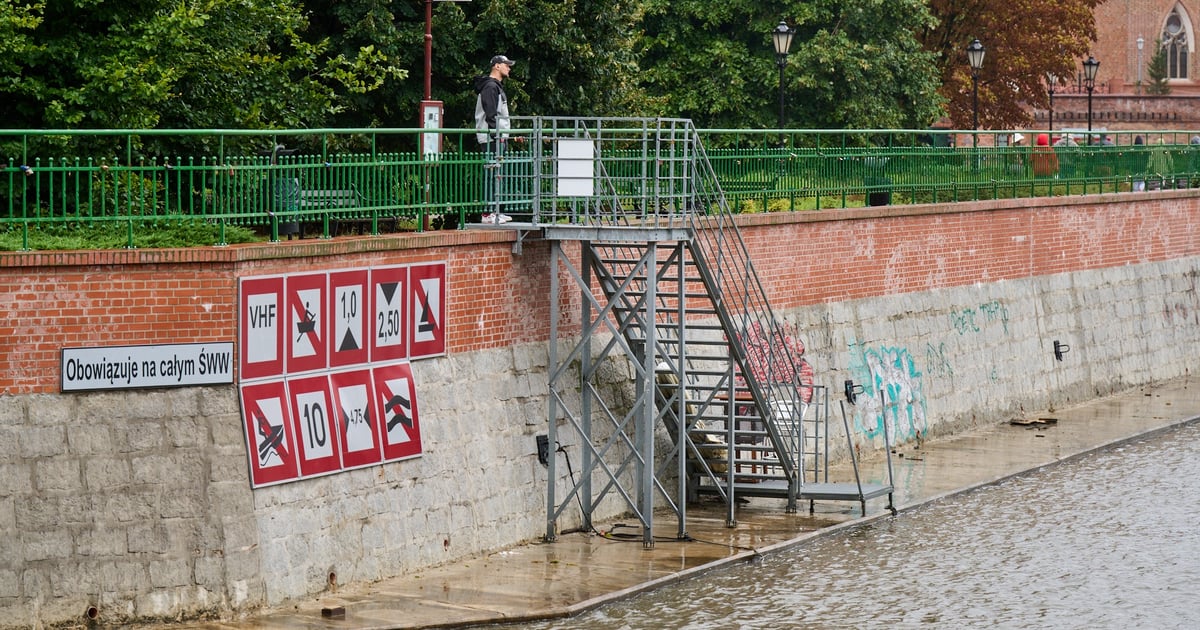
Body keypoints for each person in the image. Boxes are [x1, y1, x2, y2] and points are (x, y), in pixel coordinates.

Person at [473, 54, 516, 224]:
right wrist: (497, 135)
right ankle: (487, 213)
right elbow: (491, 115)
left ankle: (496, 211)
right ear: (497, 66)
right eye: (506, 65)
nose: (509, 68)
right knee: (491, 174)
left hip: (497, 137)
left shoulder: (495, 87)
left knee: (497, 175)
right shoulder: (490, 87)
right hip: (492, 138)